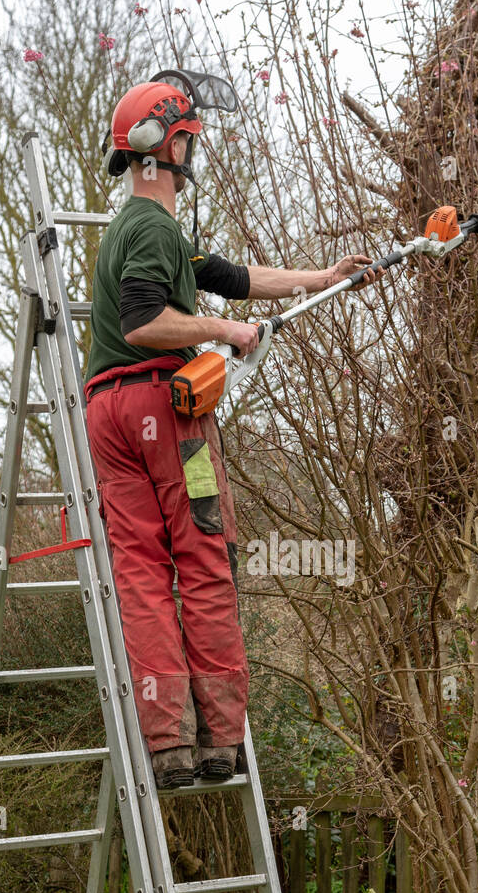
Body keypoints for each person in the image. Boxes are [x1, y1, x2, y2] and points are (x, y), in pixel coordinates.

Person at [85, 74, 379, 788]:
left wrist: (319, 276)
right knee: (204, 560)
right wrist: (224, 331)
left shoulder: (133, 230)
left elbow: (232, 276)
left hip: (107, 417)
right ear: (170, 145)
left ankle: (169, 746)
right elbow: (146, 321)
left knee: (142, 576)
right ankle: (219, 742)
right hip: (167, 416)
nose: (193, 152)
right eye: (188, 138)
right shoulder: (155, 227)